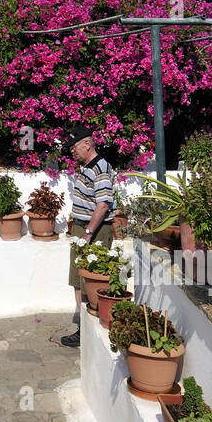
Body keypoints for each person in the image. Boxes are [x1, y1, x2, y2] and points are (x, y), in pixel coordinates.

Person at [60, 127, 118, 348]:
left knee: (95, 279)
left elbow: (103, 205)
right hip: (82, 228)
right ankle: (84, 328)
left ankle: (96, 326)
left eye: (75, 147)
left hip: (94, 230)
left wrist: (87, 234)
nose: (73, 152)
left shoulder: (100, 168)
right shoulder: (87, 167)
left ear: (87, 144)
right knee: (77, 278)